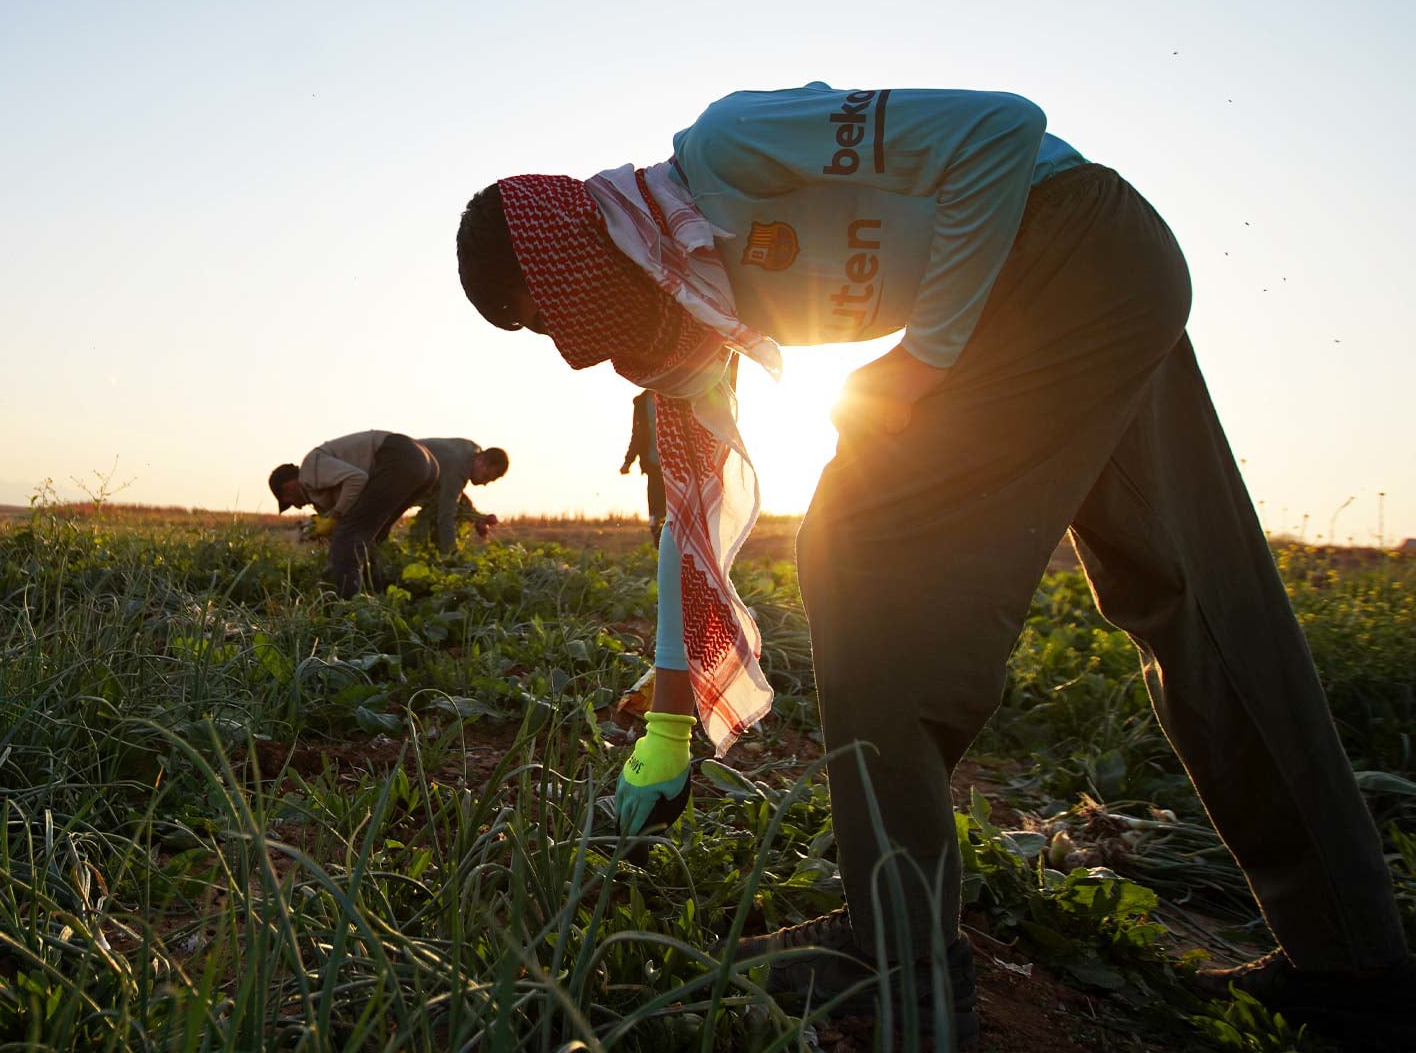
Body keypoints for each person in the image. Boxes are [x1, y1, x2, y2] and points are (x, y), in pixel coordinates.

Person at [456, 82, 1413, 1048]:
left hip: (1069, 240)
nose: (579, 346)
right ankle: (1352, 960)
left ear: (576, 246)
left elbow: (1003, 130)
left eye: (557, 313)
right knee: (1191, 597)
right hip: (1103, 277)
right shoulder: (698, 291)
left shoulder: (733, 148)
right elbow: (693, 527)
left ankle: (898, 951)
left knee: (859, 552)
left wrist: (924, 355)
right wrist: (668, 720)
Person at [269, 429, 438, 595]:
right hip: (424, 464)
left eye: (289, 502)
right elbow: (352, 510)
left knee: (347, 537)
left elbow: (357, 479)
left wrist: (336, 517)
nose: (297, 507)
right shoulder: (318, 485)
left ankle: (349, 607)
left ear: (288, 488)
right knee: (370, 536)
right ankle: (376, 594)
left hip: (399, 456)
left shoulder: (311, 468)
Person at [408, 439, 509, 551]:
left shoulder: (471, 449)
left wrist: (476, 518)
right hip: (397, 466)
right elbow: (446, 516)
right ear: (481, 460)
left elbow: (454, 494)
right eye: (485, 476)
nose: (485, 483)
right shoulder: (458, 469)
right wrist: (452, 555)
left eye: (489, 480)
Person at [620, 391, 665, 546]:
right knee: (655, 507)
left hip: (673, 465)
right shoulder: (640, 403)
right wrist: (628, 461)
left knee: (671, 508)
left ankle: (671, 544)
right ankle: (658, 541)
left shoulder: (672, 395)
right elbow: (637, 434)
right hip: (652, 464)